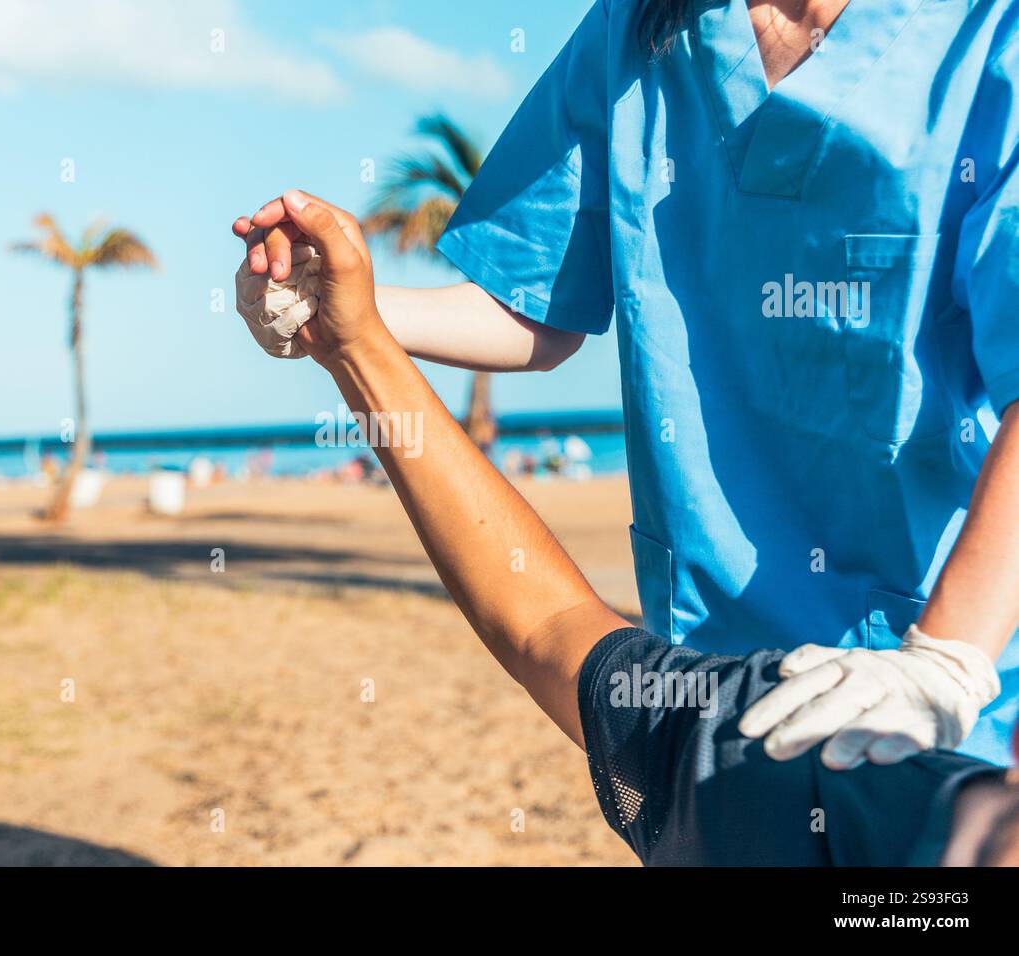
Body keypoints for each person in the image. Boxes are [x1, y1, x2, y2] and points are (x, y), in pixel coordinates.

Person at [233, 0, 1019, 767]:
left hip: (939, 686)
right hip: (708, 686)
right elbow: (532, 305)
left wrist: (946, 659)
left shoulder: (988, 35)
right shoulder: (637, 29)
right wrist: (353, 310)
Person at [230, 190, 1018, 864]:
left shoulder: (711, 755)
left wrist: (358, 338)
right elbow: (534, 299)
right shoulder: (638, 32)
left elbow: (549, 628)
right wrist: (356, 326)